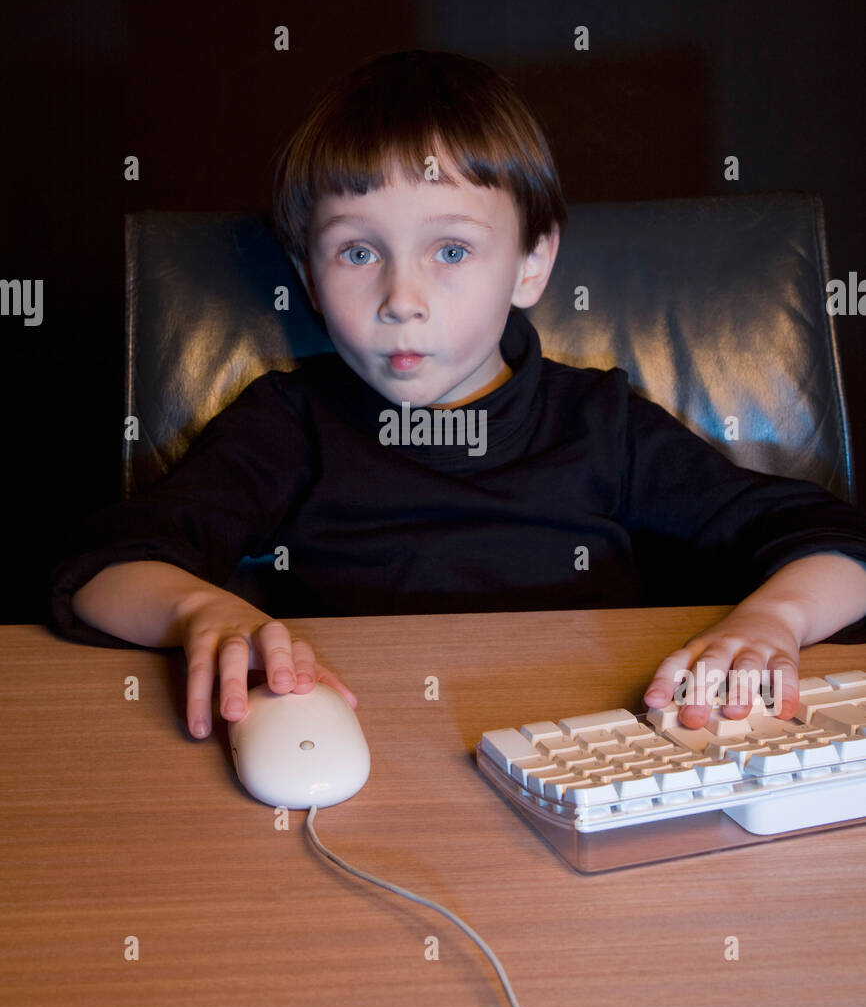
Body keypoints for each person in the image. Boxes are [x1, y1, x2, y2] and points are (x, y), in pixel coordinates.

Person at [48, 49, 866, 742]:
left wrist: (774, 622)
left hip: (584, 750)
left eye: (450, 248)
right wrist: (199, 612)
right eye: (358, 254)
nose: (402, 297)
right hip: (365, 762)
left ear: (532, 264)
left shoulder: (601, 424)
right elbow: (101, 567)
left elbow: (833, 540)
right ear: (306, 274)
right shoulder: (290, 423)